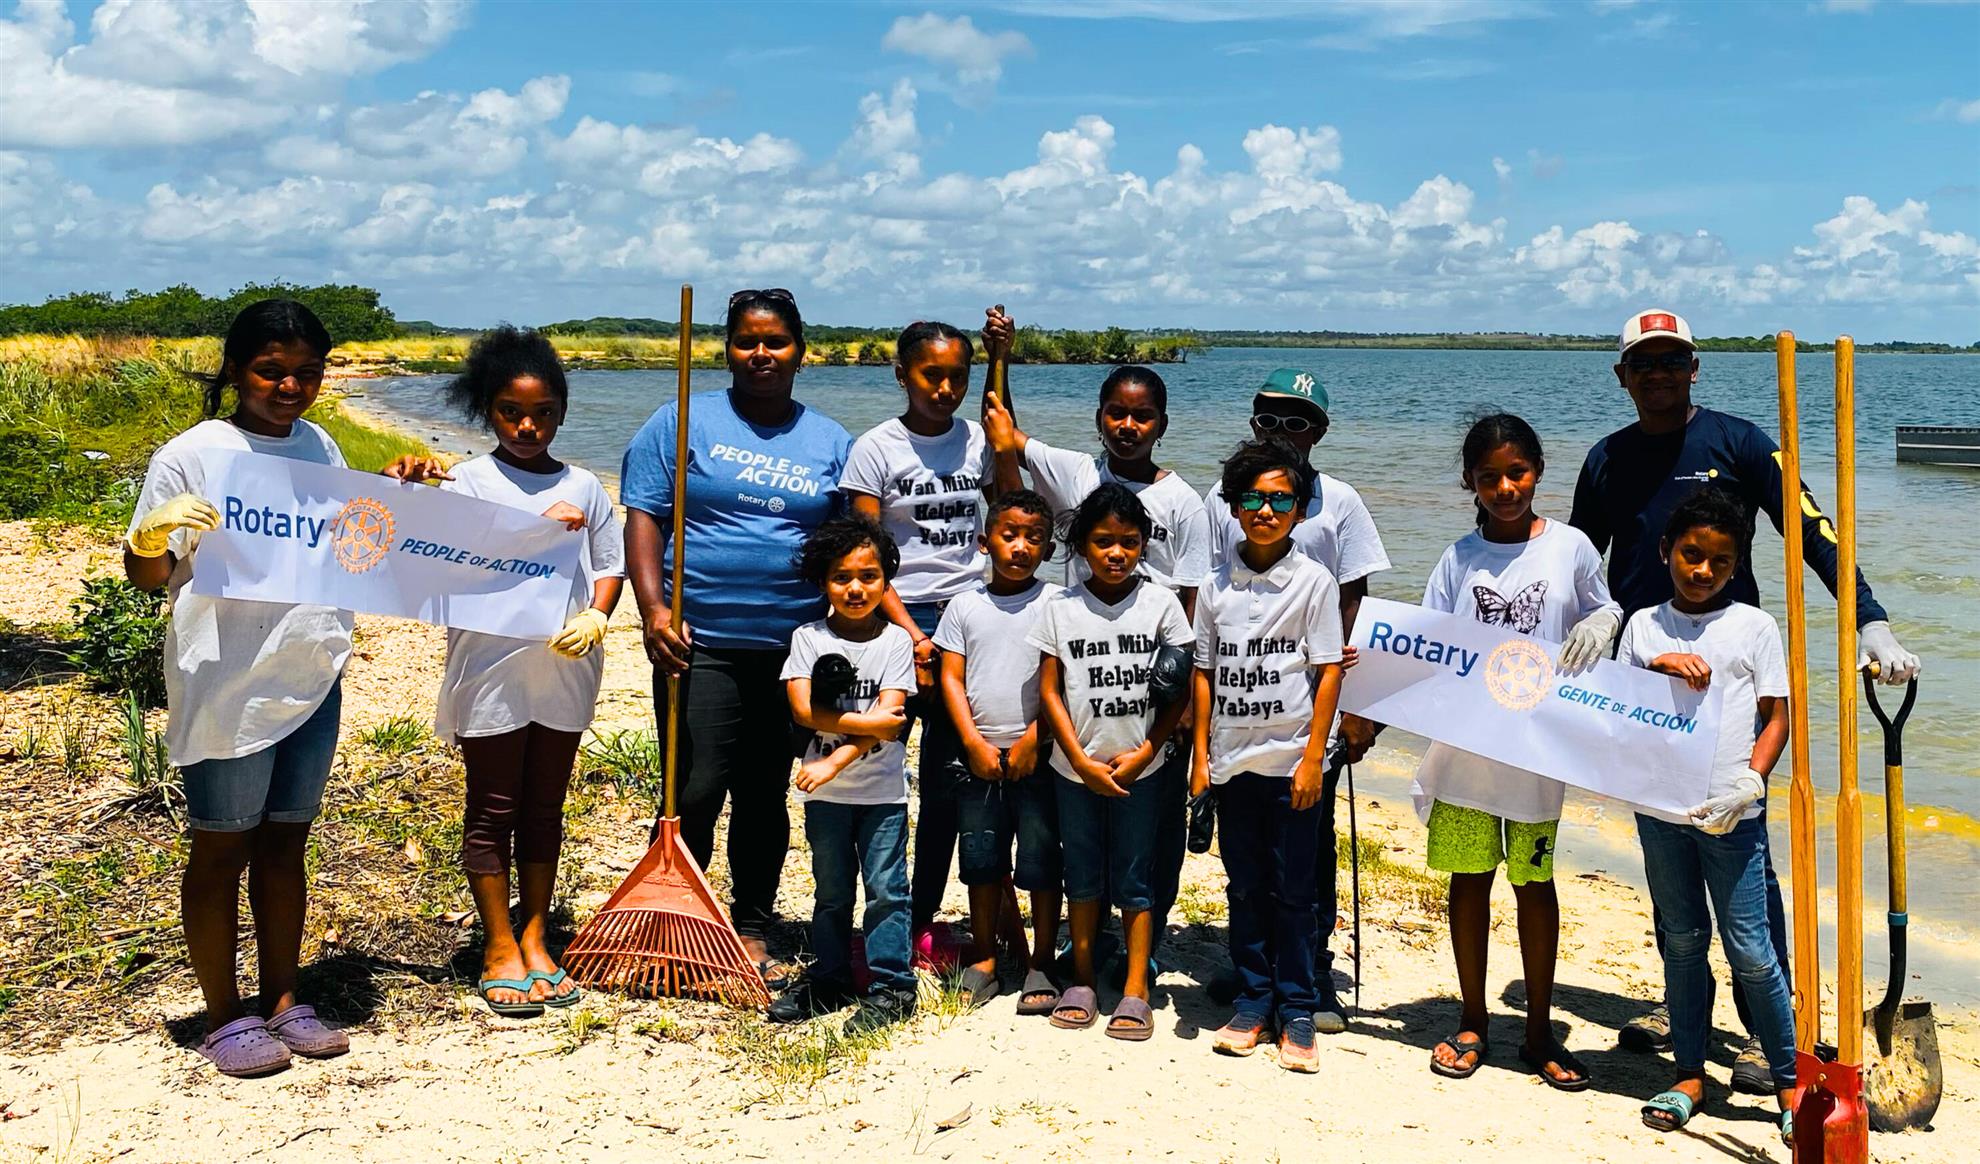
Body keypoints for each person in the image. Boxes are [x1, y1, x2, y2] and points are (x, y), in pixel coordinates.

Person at [1570, 308, 1920, 1087]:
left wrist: (1870, 622)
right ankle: (1680, 1002)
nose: (1658, 374)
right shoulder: (1605, 458)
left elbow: (1813, 529)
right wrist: (1587, 616)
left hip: (1729, 675)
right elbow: (1579, 560)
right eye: (1643, 363)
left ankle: (1772, 1025)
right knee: (1667, 848)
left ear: (1695, 369)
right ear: (1622, 375)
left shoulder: (1739, 440)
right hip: (1645, 679)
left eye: (1673, 361)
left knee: (1746, 858)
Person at [123, 300, 356, 1076]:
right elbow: (147, 574)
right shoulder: (193, 453)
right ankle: (225, 1013)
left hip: (311, 665)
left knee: (288, 839)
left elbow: (350, 537)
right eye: (270, 370)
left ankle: (286, 997)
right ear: (234, 369)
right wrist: (147, 538)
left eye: (306, 372)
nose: (289, 385)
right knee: (223, 846)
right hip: (224, 677)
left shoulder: (322, 445)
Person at [382, 327, 624, 1017]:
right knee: (491, 808)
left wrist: (600, 614)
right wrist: (403, 485)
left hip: (564, 665)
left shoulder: (584, 485)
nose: (527, 425)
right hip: (485, 665)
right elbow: (409, 544)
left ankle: (538, 933)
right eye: (512, 413)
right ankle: (497, 943)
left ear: (561, 411)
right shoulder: (466, 481)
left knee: (544, 808)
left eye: (543, 412)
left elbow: (607, 565)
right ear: (486, 411)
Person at [620, 289, 853, 983]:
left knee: (762, 790)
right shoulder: (681, 419)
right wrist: (653, 609)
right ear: (725, 348)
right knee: (693, 786)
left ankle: (752, 922)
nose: (761, 354)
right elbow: (643, 516)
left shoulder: (830, 440)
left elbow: (844, 543)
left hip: (791, 646)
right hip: (700, 638)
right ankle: (677, 918)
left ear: (800, 352)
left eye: (775, 341)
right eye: (746, 340)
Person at [1414, 415, 1618, 1090]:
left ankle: (1536, 1029)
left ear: (1539, 470)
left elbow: (1605, 607)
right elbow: (1428, 642)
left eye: (1517, 473)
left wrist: (1600, 621)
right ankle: (1473, 1018)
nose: (1505, 487)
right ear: (1469, 482)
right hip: (1468, 751)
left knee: (1535, 883)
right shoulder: (1458, 558)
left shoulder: (1571, 548)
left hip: (1537, 752)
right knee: (1469, 879)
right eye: (1489, 477)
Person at [985, 360, 1210, 972]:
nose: (1128, 425)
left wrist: (1185, 700)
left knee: (1151, 822)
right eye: (1117, 413)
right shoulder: (1077, 471)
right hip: (1086, 673)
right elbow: (1006, 434)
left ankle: (1147, 937)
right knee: (1080, 819)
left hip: (1153, 679)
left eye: (1142, 415)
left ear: (1162, 424)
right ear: (1099, 418)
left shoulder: (1183, 503)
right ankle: (1087, 938)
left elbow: (1190, 598)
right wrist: (999, 354)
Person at [1201, 368, 1390, 1028]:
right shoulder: (1223, 495)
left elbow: (1356, 599)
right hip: (1241, 710)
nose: (1283, 432)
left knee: (1310, 848)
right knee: (1250, 856)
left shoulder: (1338, 500)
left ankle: (1312, 972)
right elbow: (1212, 596)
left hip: (1312, 707)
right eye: (1270, 419)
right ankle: (1254, 971)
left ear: (1321, 431)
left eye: (1298, 421)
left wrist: (1357, 708)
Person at [1620, 487, 1797, 1147]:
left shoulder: (1754, 626)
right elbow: (1612, 711)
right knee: (1684, 940)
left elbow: (1777, 716)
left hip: (1734, 813)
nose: (1701, 571)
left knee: (1752, 951)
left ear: (1736, 566)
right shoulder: (1643, 626)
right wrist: (1657, 665)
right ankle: (1690, 1073)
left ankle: (1788, 1084)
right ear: (1668, 550)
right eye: (1691, 555)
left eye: (1718, 563)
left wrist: (1752, 780)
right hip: (1661, 808)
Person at [841, 318, 1001, 970]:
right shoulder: (876, 449)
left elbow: (1009, 511)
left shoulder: (976, 443)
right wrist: (911, 636)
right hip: (893, 624)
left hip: (966, 622)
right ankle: (877, 921)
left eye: (957, 376)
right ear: (901, 373)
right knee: (876, 779)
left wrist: (1000, 362)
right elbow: (865, 555)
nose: (944, 388)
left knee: (945, 784)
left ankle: (924, 922)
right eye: (931, 375)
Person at [1189, 440, 1346, 1073]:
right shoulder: (1213, 585)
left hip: (1292, 765)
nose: (1265, 509)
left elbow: (1328, 671)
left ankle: (1298, 1007)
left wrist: (1314, 758)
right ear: (1232, 506)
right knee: (1246, 886)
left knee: (1296, 891)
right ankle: (1253, 999)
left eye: (1280, 498)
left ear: (1300, 508)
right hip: (1233, 763)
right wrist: (1201, 757)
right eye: (1252, 497)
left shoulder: (1313, 581)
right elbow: (1203, 672)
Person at [1026, 484, 1194, 1041]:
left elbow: (1179, 693)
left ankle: (1136, 987)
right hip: (1073, 769)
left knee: (1136, 878)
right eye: (1103, 542)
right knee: (1083, 872)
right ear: (1081, 547)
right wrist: (1075, 756)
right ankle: (1080, 979)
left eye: (1127, 541)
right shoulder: (1061, 607)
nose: (1116, 553)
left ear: (1144, 543)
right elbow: (1050, 690)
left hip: (1143, 769)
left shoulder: (1162, 603)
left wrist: (1148, 749)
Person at [769, 518, 918, 1026]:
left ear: (886, 581)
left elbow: (893, 721)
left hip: (882, 794)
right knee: (831, 893)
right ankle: (830, 979)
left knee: (886, 891)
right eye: (842, 577)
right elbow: (803, 711)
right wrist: (870, 721)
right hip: (825, 800)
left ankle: (893, 987)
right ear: (822, 582)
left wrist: (835, 756)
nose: (856, 588)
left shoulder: (896, 641)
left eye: (869, 576)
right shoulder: (807, 637)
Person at [931, 489, 1064, 1012]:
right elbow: (952, 677)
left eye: (1034, 538)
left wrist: (1037, 738)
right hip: (977, 758)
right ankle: (985, 957)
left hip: (1039, 756)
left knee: (1040, 862)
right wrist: (970, 742)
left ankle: (1041, 963)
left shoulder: (1056, 603)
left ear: (1049, 550)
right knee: (982, 861)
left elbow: (1064, 682)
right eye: (1009, 535)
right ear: (985, 542)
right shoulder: (965, 605)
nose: (1021, 547)